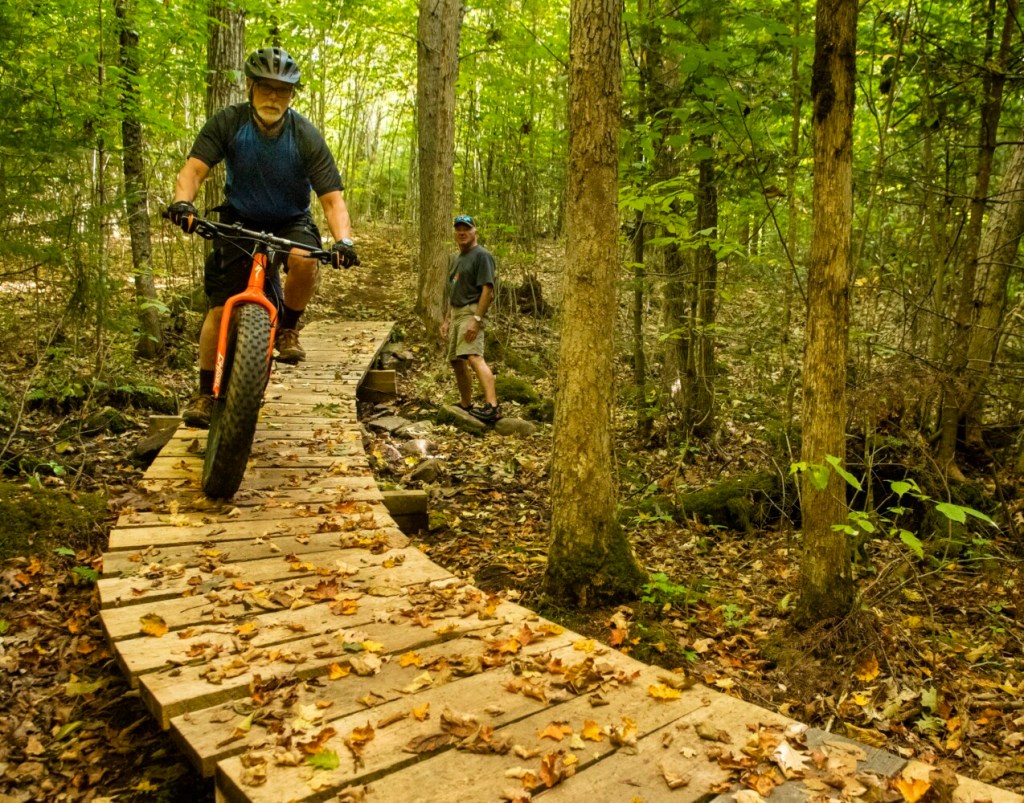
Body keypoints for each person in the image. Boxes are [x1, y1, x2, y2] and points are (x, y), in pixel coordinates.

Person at [166, 46, 358, 428]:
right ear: (251, 87)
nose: (273, 97)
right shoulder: (229, 122)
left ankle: (288, 327)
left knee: (305, 258)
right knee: (220, 310)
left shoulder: (305, 135)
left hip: (290, 220)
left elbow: (332, 200)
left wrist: (344, 241)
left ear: (291, 95)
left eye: (283, 90)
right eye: (266, 87)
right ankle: (205, 393)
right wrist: (182, 203)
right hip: (239, 219)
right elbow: (193, 170)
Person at [443, 215, 501, 423]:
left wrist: (476, 319)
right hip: (457, 312)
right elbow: (454, 289)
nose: (462, 232)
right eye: (458, 229)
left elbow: (488, 289)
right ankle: (466, 404)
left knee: (474, 356)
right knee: (456, 361)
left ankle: (492, 407)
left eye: (466, 228)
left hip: (471, 311)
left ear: (475, 231)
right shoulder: (456, 258)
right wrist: (447, 319)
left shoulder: (482, 255)